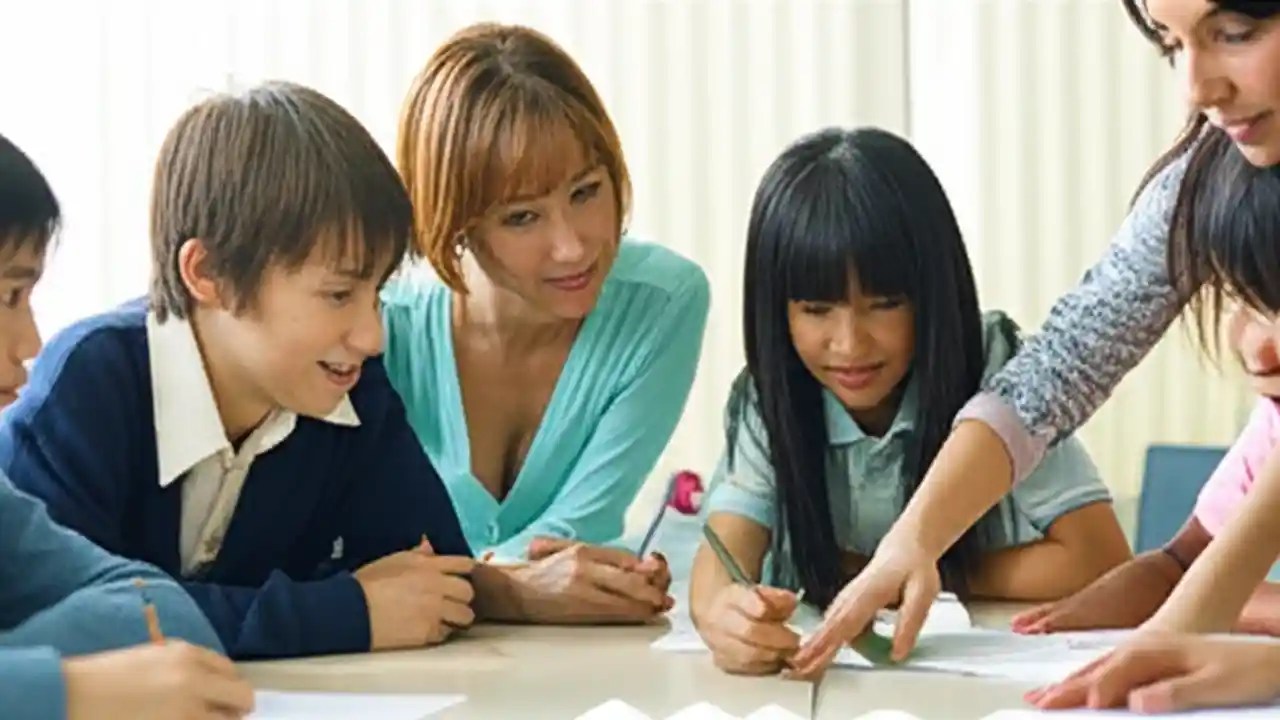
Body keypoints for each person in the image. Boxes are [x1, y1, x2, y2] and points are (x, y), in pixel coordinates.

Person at [0, 81, 671, 662]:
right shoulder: (88, 386)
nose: (373, 334)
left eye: (377, 293)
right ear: (207, 274)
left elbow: (429, 575)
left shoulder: (347, 386)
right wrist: (341, 611)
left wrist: (507, 591)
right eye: (338, 295)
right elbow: (68, 627)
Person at [786, 0, 1280, 678]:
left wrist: (1188, 638)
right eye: (1170, 44)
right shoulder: (1217, 170)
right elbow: (1062, 365)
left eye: (1234, 34)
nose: (1197, 90)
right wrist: (915, 539)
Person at [689, 127, 1130, 676]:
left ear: (933, 293)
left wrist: (911, 570)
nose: (850, 344)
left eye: (885, 304)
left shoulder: (997, 371)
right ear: (777, 311)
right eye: (816, 309)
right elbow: (720, 563)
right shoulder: (768, 396)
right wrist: (723, 617)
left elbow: (1100, 559)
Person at [383, 22, 707, 609]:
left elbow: (577, 530)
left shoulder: (664, 303)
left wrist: (480, 584)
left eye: (585, 192)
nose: (573, 247)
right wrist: (509, 591)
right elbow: (363, 563)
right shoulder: (383, 329)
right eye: (522, 218)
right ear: (456, 223)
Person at [0, 132, 254, 719]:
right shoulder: (98, 367)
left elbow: (165, 614)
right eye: (11, 295)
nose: (31, 341)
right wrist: (69, 690)